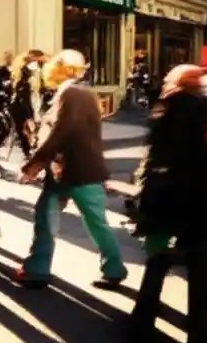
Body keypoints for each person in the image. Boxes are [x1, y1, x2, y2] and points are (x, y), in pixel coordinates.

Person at [127, 65, 207, 343]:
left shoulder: (165, 105)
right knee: (196, 267)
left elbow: (154, 152)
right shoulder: (197, 110)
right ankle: (199, 335)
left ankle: (142, 324)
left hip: (163, 197)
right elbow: (203, 156)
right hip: (191, 198)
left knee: (159, 260)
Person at [15, 50, 128, 290]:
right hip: (72, 170)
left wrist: (33, 165)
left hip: (74, 170)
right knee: (67, 218)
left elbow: (60, 133)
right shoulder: (80, 92)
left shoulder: (72, 93)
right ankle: (39, 268)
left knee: (85, 221)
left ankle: (112, 268)